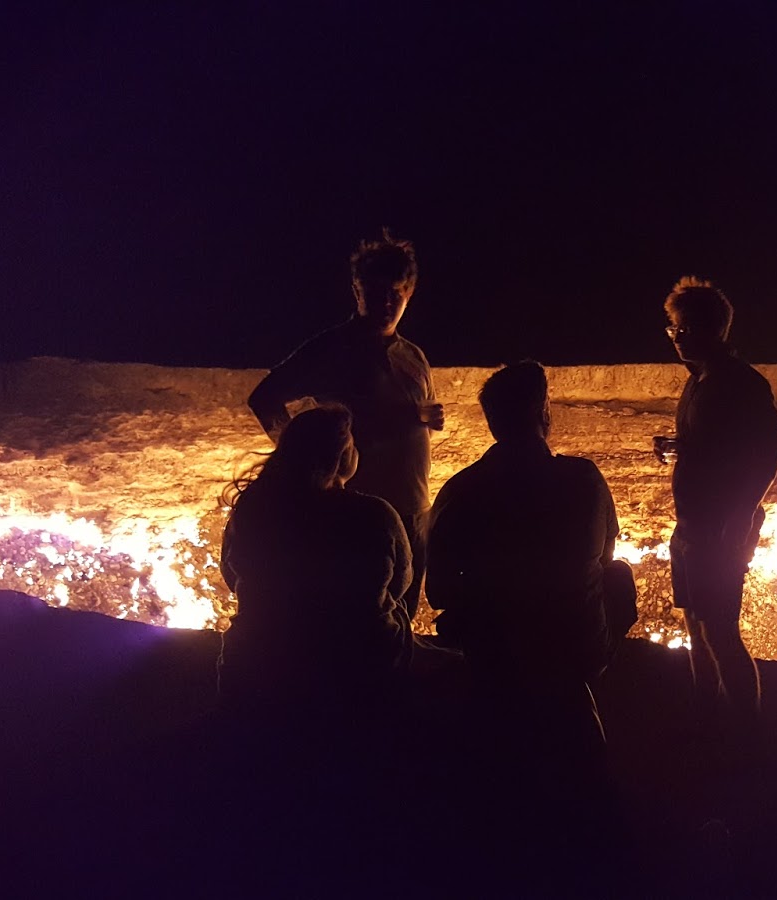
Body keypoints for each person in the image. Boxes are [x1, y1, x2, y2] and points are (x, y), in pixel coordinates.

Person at [424, 361, 632, 890]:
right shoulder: (583, 478)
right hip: (575, 647)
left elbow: (440, 589)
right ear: (545, 415)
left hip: (494, 653)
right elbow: (606, 553)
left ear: (493, 425)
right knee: (618, 577)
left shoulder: (463, 489)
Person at [247, 230, 442, 617]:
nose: (385, 303)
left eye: (396, 294)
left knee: (400, 619)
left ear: (410, 293)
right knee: (357, 621)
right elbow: (264, 398)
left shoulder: (413, 356)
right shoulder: (331, 349)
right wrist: (300, 459)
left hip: (412, 511)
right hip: (354, 513)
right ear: (356, 290)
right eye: (375, 292)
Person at [218, 404, 414, 715]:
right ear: (343, 457)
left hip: (258, 656)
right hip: (358, 663)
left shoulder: (254, 508)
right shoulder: (375, 513)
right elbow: (402, 582)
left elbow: (231, 575)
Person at [658, 276, 777, 723]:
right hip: (690, 524)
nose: (677, 338)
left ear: (713, 329)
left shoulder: (742, 384)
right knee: (695, 622)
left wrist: (741, 514)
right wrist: (676, 446)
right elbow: (710, 445)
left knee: (720, 632)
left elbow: (770, 450)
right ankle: (706, 714)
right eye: (673, 329)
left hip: (719, 528)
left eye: (684, 328)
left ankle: (748, 732)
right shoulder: (697, 383)